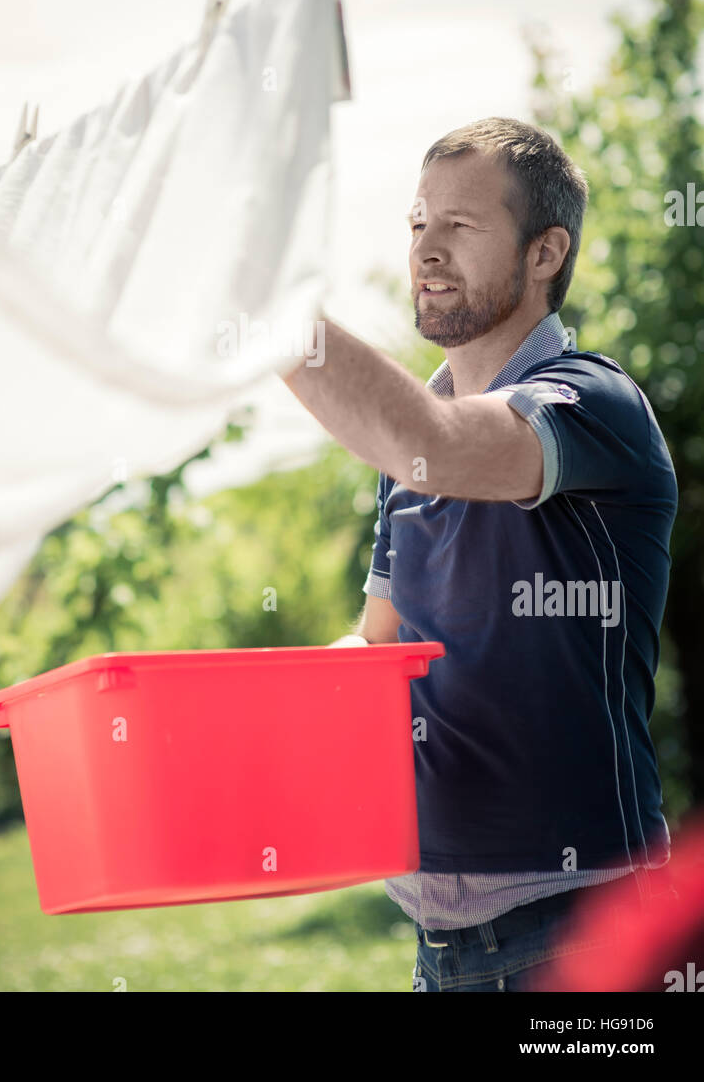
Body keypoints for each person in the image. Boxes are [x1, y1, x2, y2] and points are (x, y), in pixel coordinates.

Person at [281, 117, 678, 992]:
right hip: (440, 950)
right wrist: (261, 716)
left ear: (545, 253)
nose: (425, 248)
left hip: (581, 934)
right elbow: (376, 647)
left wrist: (263, 303)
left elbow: (431, 439)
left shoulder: (592, 406)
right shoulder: (404, 465)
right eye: (418, 223)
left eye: (459, 226)